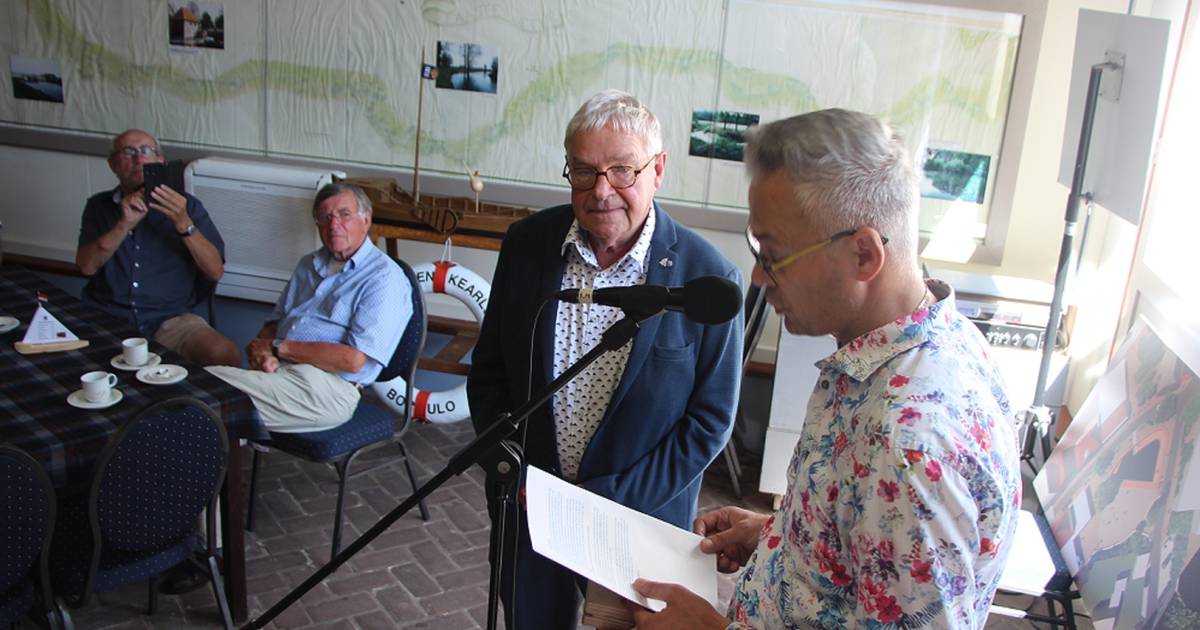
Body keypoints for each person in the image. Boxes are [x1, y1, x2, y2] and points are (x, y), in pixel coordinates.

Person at [629, 109, 1022, 629]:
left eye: (773, 254)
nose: (758, 276)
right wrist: (791, 534)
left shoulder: (908, 443)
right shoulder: (922, 340)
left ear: (863, 254)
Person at [467, 89, 744, 630]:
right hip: (530, 509)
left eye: (622, 171)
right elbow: (490, 373)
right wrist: (511, 469)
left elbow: (709, 422)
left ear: (658, 169)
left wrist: (601, 503)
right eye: (584, 171)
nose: (601, 191)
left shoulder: (707, 277)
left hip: (640, 522)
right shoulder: (526, 245)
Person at [206, 182, 410, 433]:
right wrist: (264, 351)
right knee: (199, 395)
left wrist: (279, 348)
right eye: (326, 217)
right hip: (280, 372)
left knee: (201, 399)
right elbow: (275, 321)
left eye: (345, 215)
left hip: (329, 388)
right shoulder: (308, 264)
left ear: (366, 220)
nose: (334, 225)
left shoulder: (384, 278)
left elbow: (353, 360)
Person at [76, 128, 240, 367]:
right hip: (106, 315)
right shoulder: (99, 207)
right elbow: (86, 267)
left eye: (146, 151)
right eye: (128, 152)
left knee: (223, 353)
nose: (139, 159)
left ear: (160, 161)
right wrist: (124, 224)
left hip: (170, 319)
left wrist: (183, 222)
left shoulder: (188, 207)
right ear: (113, 165)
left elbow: (215, 271)